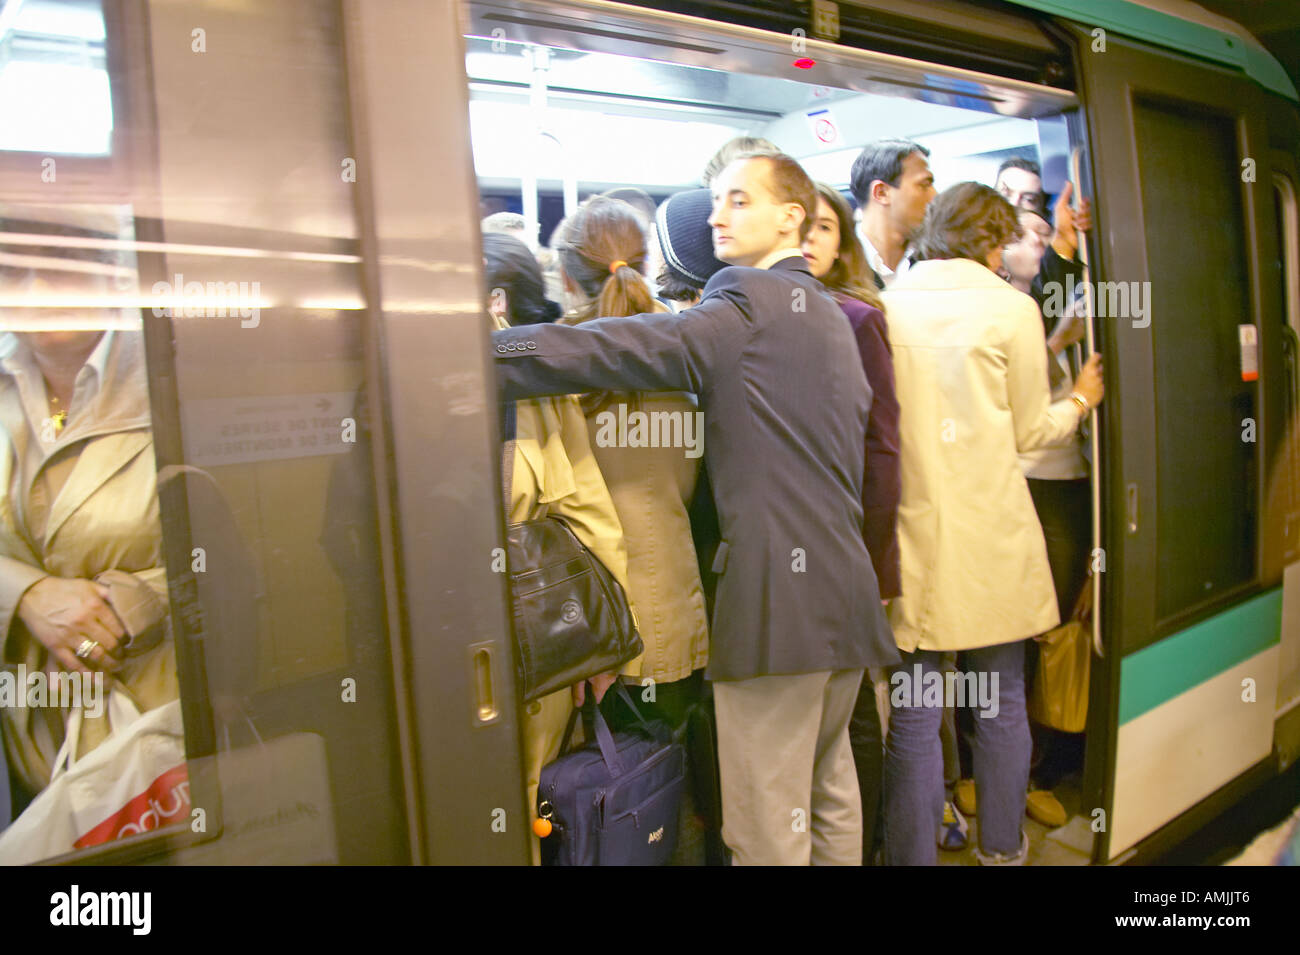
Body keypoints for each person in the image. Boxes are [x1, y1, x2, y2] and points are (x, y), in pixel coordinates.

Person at [491, 153, 899, 865]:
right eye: (716, 201)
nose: (716, 215)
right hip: (847, 602)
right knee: (832, 800)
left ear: (790, 216)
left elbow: (606, 348)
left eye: (738, 200)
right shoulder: (831, 317)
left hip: (777, 613)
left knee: (766, 833)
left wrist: (487, 345)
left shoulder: (743, 306)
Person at [879, 182, 1103, 866]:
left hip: (913, 537)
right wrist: (1081, 400)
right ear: (989, 239)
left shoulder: (886, 306)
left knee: (916, 715)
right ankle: (1002, 847)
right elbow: (1033, 432)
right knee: (1001, 697)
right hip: (992, 536)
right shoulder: (1010, 309)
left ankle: (910, 855)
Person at [483, 232, 634, 865]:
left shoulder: (538, 387)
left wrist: (604, 651)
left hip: (528, 645)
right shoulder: (394, 393)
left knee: (520, 799)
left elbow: (593, 517)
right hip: (478, 644)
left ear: (496, 306)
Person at [800, 182, 900, 864]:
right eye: (801, 223)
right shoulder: (760, 312)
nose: (809, 236)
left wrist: (868, 560)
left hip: (845, 555)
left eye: (825, 227)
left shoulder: (857, 319)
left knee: (852, 716)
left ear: (841, 246)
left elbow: (882, 449)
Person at [849, 139, 937, 289]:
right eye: (924, 185)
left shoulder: (934, 263)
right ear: (882, 193)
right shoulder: (836, 266)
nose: (935, 196)